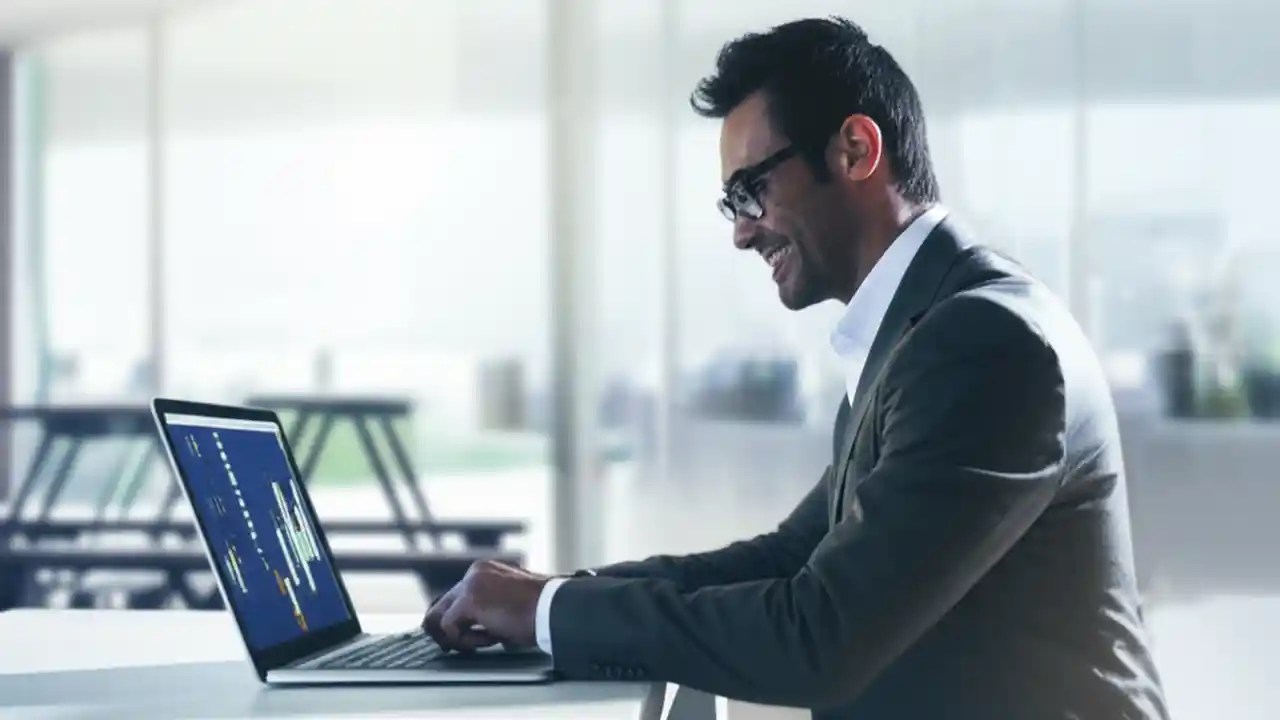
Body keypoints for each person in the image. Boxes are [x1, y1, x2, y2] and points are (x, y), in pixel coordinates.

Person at [424, 17, 1169, 719]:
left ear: (855, 151)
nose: (743, 233)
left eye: (751, 190)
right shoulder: (918, 336)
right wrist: (555, 597)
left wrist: (549, 612)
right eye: (731, 204)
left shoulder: (984, 344)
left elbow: (820, 635)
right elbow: (792, 560)